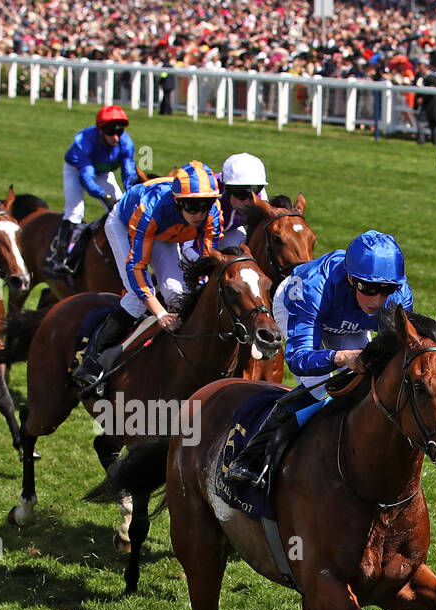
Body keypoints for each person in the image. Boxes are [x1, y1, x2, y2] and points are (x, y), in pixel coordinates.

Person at [224, 231, 414, 488]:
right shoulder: (313, 288)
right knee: (319, 390)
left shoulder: (399, 296)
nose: (378, 300)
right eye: (369, 289)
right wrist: (342, 357)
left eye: (387, 290)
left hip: (349, 321)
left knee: (367, 383)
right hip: (301, 307)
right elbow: (298, 358)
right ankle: (252, 457)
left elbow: (402, 350)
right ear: (350, 278)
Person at [71, 160, 222, 394]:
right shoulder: (151, 209)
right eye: (193, 206)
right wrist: (160, 314)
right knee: (136, 295)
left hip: (166, 232)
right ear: (178, 201)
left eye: (206, 204)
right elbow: (137, 267)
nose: (200, 213)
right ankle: (92, 362)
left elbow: (205, 263)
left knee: (177, 292)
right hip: (124, 224)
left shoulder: (212, 214)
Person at [45, 105, 137, 277]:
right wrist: (103, 195)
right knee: (75, 210)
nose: (116, 137)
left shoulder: (126, 143)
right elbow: (86, 178)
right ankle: (60, 258)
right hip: (77, 170)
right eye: (111, 132)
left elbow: (128, 172)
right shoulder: (84, 141)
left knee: (120, 207)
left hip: (103, 172)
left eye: (120, 131)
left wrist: (132, 193)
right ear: (100, 129)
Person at [215, 152, 269, 250]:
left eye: (253, 193)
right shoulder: (209, 196)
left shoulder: (261, 198)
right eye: (240, 193)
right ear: (226, 188)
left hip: (230, 231)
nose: (248, 202)